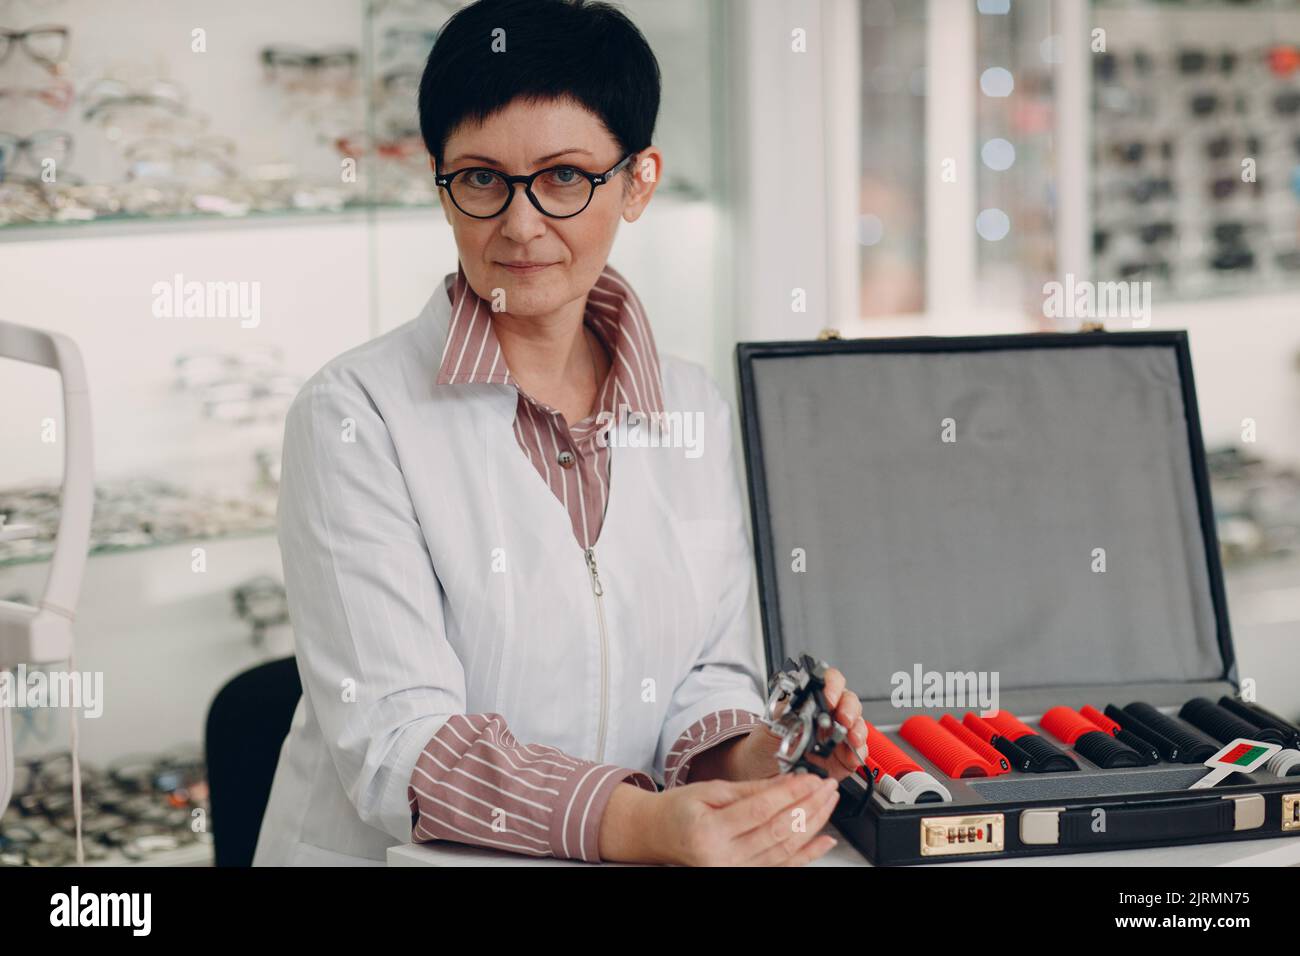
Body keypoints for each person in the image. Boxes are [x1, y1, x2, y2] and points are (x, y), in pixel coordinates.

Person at [254, 0, 867, 867]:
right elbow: (397, 745)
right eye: (480, 178)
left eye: (565, 177)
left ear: (639, 181)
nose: (520, 223)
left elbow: (706, 676)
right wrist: (643, 825)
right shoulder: (354, 416)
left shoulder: (693, 409)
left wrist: (765, 754)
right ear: (440, 183)